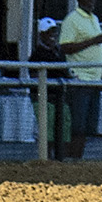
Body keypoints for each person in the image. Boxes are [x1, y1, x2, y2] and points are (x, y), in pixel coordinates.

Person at [56, 0, 102, 159]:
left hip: (95, 79)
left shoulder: (95, 18)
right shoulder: (71, 19)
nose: (90, 0)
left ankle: (78, 159)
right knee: (77, 125)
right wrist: (95, 40)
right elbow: (65, 47)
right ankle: (68, 159)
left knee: (87, 126)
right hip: (80, 78)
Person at [33, 17, 73, 156]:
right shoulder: (37, 55)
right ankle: (47, 159)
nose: (52, 35)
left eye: (54, 32)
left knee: (64, 129)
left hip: (61, 98)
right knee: (47, 132)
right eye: (48, 32)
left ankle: (61, 160)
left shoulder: (59, 53)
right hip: (45, 100)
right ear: (41, 34)